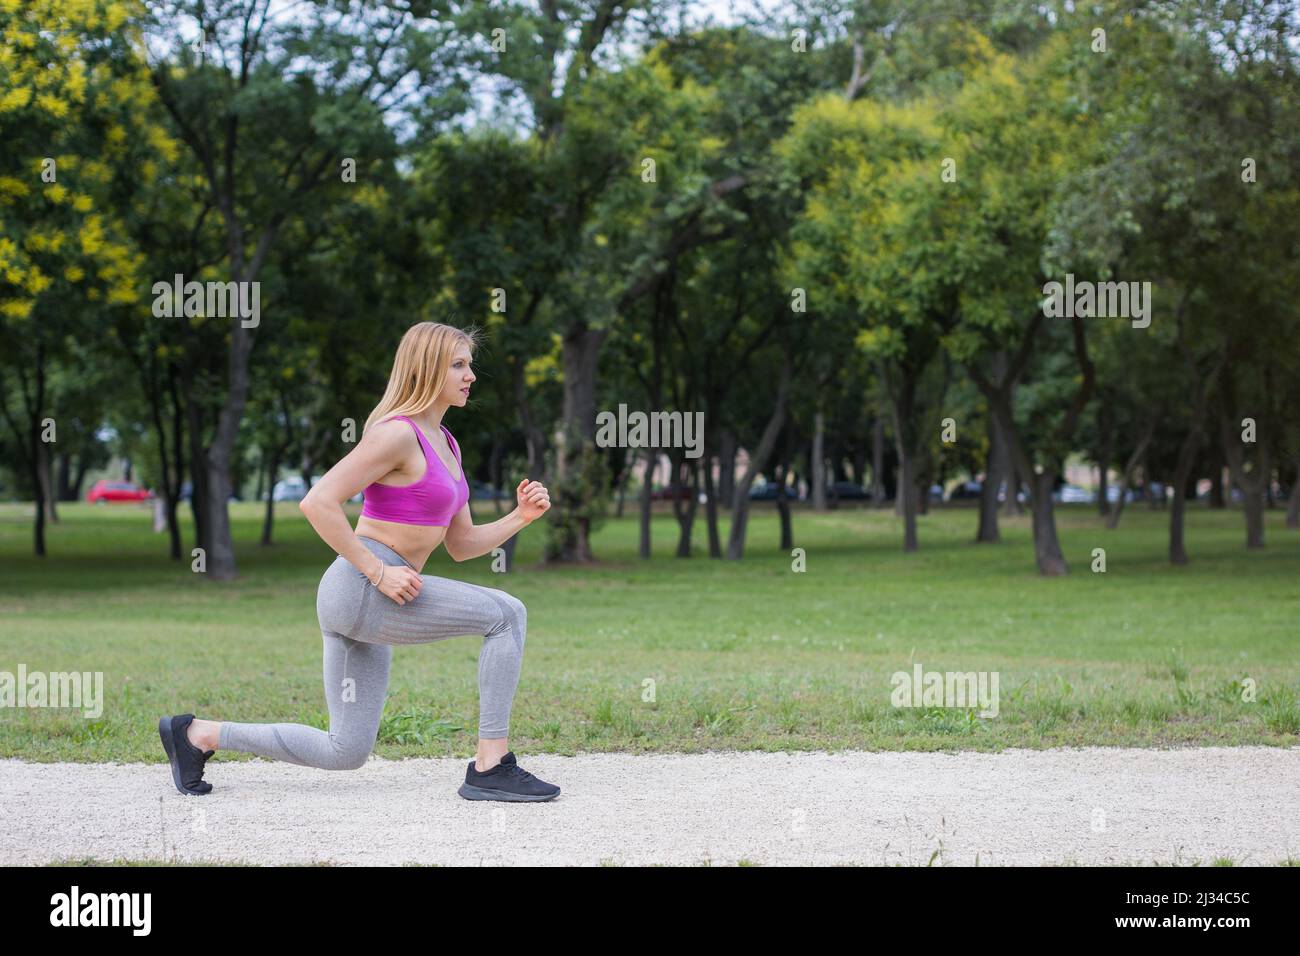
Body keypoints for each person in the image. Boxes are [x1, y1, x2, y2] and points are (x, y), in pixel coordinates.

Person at [159, 321, 559, 802]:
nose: (470, 374)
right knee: (507, 614)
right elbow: (318, 501)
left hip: (375, 595)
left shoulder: (447, 444)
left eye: (469, 364)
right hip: (363, 587)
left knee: (344, 750)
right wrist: (378, 570)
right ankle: (490, 767)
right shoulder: (396, 435)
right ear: (426, 368)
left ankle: (197, 735)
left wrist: (520, 516)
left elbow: (463, 544)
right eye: (458, 364)